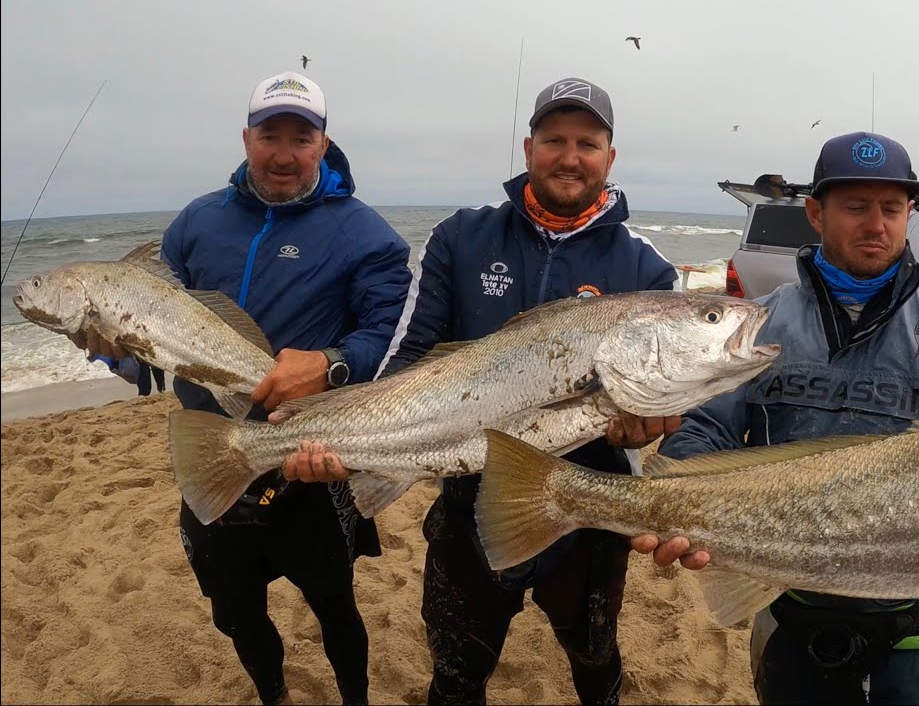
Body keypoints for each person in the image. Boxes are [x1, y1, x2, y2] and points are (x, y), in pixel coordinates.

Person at [629, 131, 919, 705]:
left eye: (891, 208)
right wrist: (678, 503)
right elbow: (708, 428)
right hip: (788, 605)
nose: (875, 224)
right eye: (855, 207)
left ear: (909, 214)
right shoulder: (753, 328)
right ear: (815, 213)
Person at [282, 77, 680, 705]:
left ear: (610, 156)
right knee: (457, 668)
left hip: (589, 511)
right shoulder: (461, 236)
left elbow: (670, 390)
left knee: (594, 656)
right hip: (467, 500)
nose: (569, 157)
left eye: (587, 142)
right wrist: (347, 433)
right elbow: (405, 355)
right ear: (528, 149)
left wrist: (656, 417)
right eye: (554, 140)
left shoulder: (646, 269)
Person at [82, 70, 412, 705]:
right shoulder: (195, 224)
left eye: (300, 137)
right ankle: (273, 696)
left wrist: (333, 363)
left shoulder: (367, 234)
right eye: (269, 135)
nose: (283, 154)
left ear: (323, 143)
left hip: (308, 458)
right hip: (211, 450)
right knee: (234, 609)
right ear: (245, 137)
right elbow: (152, 336)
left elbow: (388, 339)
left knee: (335, 606)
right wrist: (116, 352)